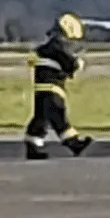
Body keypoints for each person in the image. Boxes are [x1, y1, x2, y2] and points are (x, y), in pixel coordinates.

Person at [25, 13, 92, 160]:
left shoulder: (45, 48)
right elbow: (69, 63)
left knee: (41, 119)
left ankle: (33, 146)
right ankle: (74, 144)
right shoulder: (57, 47)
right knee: (58, 116)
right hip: (52, 89)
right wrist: (78, 63)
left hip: (41, 89)